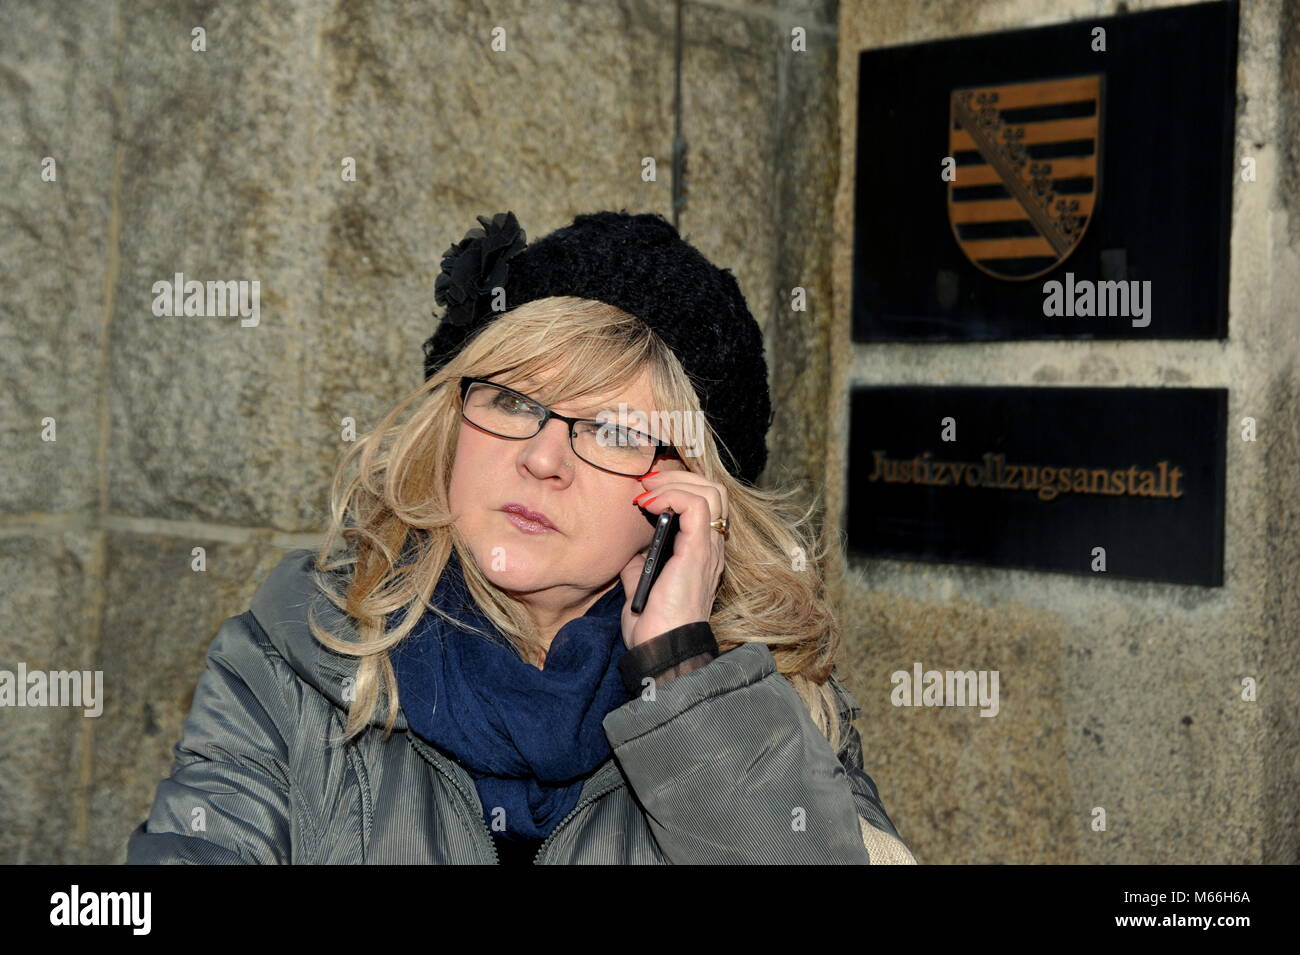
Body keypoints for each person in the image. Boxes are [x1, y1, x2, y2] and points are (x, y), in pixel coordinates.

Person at [125, 209, 915, 864]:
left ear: (686, 499)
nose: (541, 458)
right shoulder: (302, 652)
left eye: (609, 429)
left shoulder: (773, 706)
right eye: (510, 401)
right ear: (453, 426)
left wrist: (683, 678)